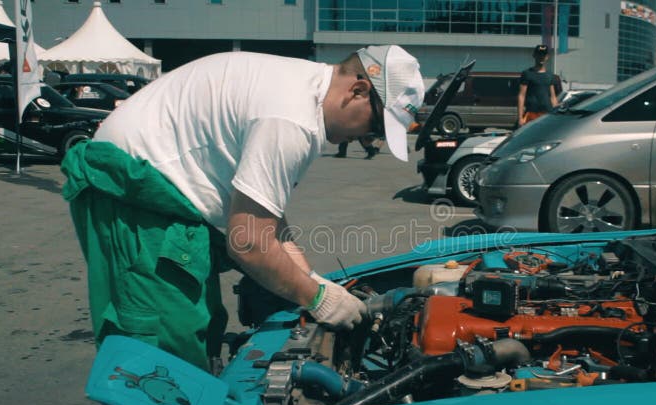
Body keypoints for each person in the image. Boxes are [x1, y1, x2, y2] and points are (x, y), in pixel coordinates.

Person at [61, 45, 425, 370]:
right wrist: (317, 299)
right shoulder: (291, 118)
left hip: (155, 190)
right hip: (133, 191)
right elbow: (249, 243)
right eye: (375, 124)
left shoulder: (299, 90)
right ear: (358, 90)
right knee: (166, 350)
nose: (368, 138)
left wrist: (312, 281)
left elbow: (266, 216)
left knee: (200, 321)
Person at [517, 44, 558, 126]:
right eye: (539, 54)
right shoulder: (527, 73)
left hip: (547, 114)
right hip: (532, 114)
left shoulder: (550, 75)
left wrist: (556, 115)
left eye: (544, 55)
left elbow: (553, 97)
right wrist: (520, 117)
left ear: (547, 57)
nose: (541, 57)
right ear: (534, 55)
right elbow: (521, 96)